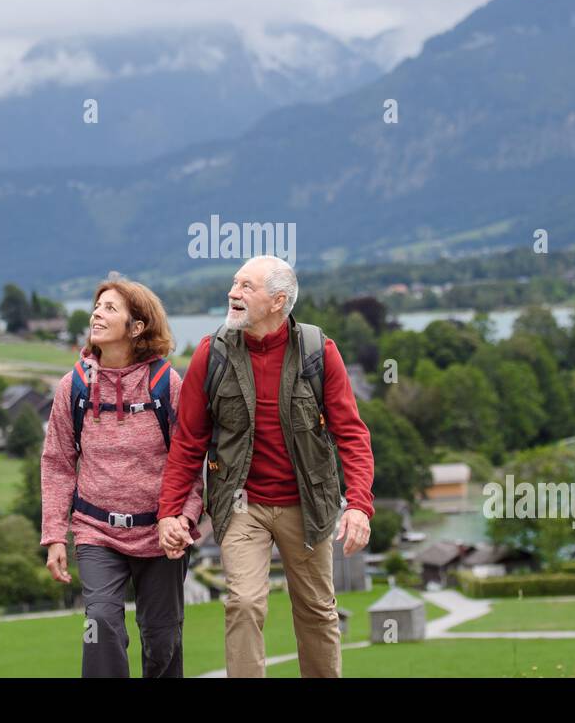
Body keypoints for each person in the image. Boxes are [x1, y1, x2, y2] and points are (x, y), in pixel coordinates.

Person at [157, 254, 374, 677]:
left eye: (245, 287)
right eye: (234, 284)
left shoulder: (318, 352)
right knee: (243, 603)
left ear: (277, 301)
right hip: (241, 505)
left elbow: (352, 434)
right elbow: (188, 442)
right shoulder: (212, 353)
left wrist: (359, 505)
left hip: (308, 505)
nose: (232, 293)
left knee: (316, 610)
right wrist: (169, 512)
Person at [40, 277, 202, 677]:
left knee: (162, 639)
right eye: (98, 306)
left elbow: (192, 458)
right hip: (97, 531)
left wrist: (184, 518)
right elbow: (57, 462)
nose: (97, 313)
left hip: (160, 533)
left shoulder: (167, 384)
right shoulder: (73, 386)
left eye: (111, 308)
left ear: (137, 326)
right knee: (102, 624)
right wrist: (55, 535)